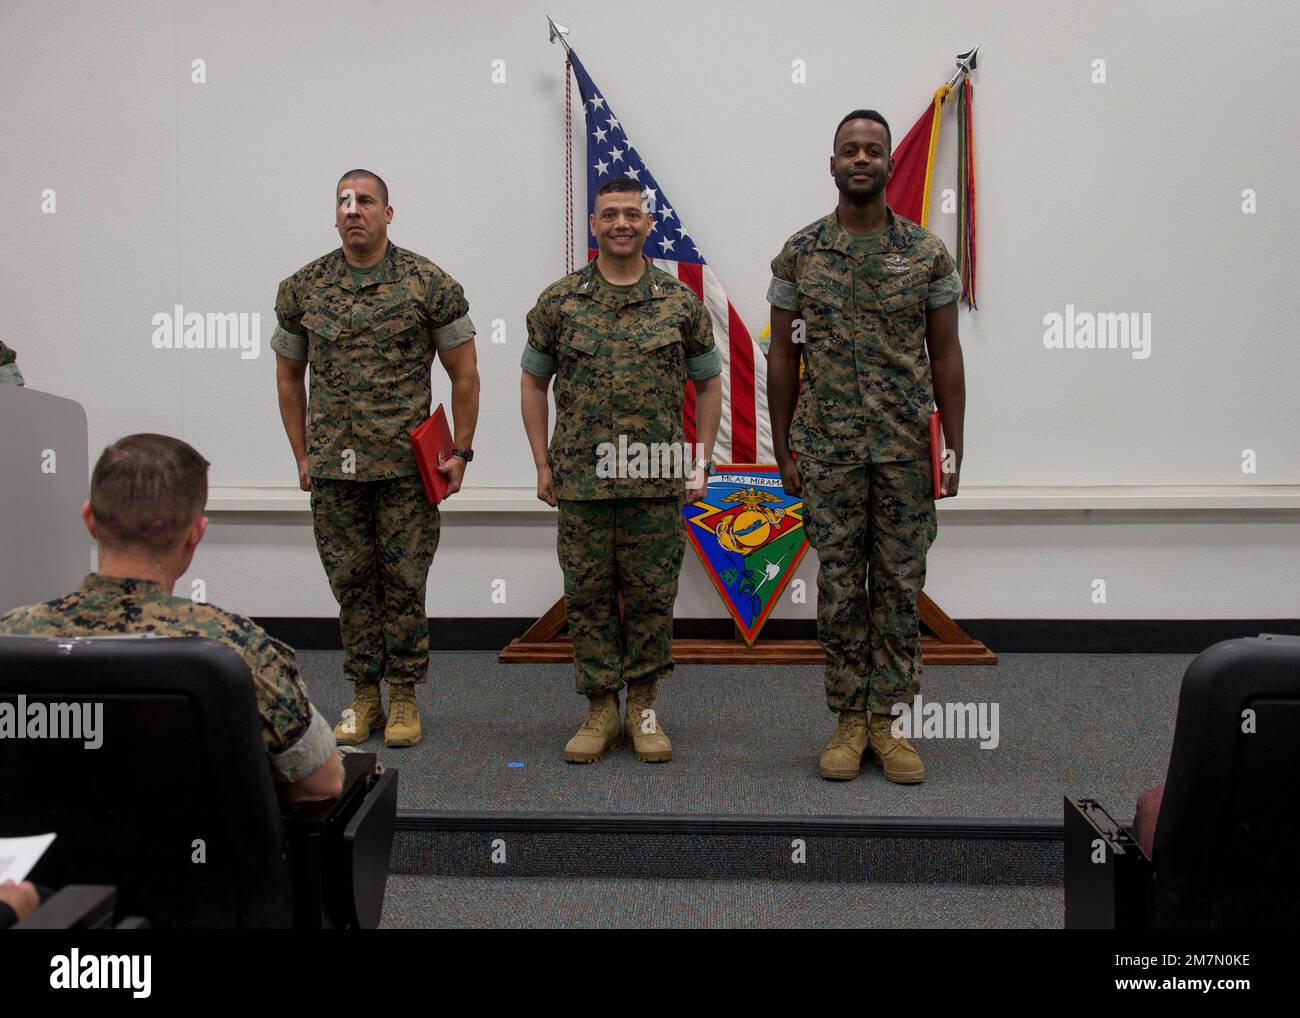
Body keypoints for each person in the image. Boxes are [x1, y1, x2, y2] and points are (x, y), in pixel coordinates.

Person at [766, 110, 966, 783]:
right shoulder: (800, 254)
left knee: (901, 587)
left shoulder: (926, 254)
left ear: (887, 165)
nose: (861, 159)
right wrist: (787, 451)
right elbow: (781, 361)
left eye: (873, 150)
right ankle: (850, 719)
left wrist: (953, 449)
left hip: (908, 451)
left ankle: (891, 722)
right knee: (843, 589)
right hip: (829, 451)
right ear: (832, 165)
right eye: (849, 150)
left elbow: (946, 354)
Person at [0, 434, 343, 802]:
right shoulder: (232, 649)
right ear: (196, 534)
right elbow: (322, 782)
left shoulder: (14, 636)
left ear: (90, 520)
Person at [272, 169, 480, 749]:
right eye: (344, 201)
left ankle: (406, 694)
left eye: (365, 200)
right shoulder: (303, 290)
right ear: (334, 215)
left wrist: (460, 450)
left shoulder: (428, 284)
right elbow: (289, 377)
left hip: (406, 472)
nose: (353, 209)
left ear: (388, 213)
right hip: (336, 470)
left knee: (405, 582)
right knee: (351, 583)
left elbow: (465, 374)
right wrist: (301, 454)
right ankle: (364, 697)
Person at [521, 176, 722, 763]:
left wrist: (700, 460)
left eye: (631, 214)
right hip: (582, 479)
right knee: (587, 595)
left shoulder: (679, 304)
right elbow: (534, 383)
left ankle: (645, 707)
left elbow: (709, 386)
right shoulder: (559, 302)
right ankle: (600, 708)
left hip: (657, 477)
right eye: (609, 214)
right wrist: (542, 461)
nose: (621, 224)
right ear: (593, 224)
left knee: (652, 595)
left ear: (648, 223)